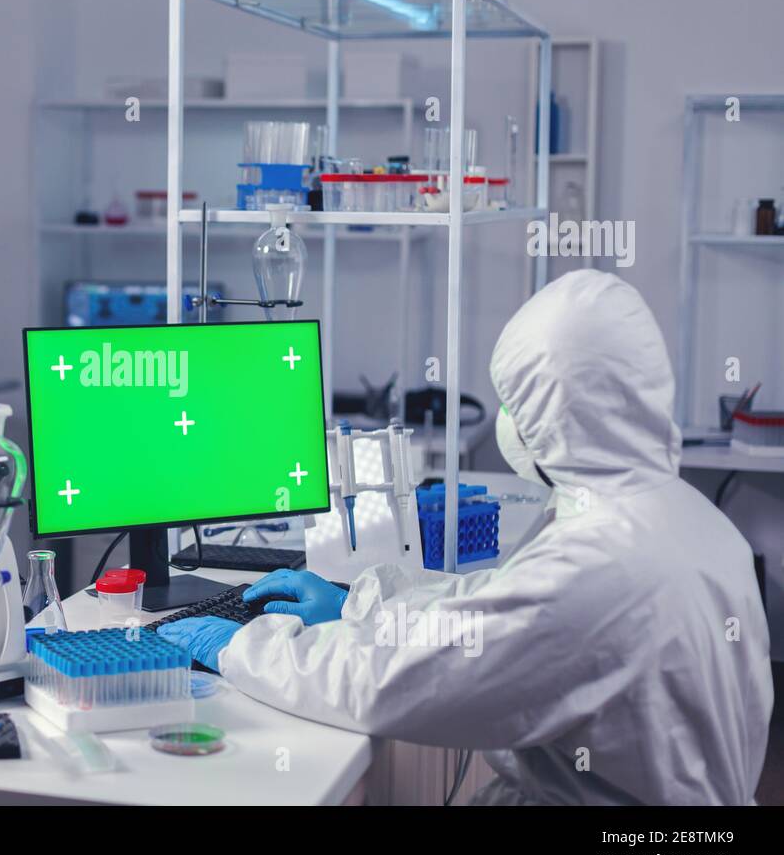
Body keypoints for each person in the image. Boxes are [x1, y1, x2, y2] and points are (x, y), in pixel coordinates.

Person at [157, 269, 773, 805]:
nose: (506, 419)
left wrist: (245, 648)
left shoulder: (600, 564)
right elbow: (499, 600)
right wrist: (364, 605)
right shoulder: (678, 513)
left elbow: (389, 685)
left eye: (515, 402)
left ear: (557, 413)